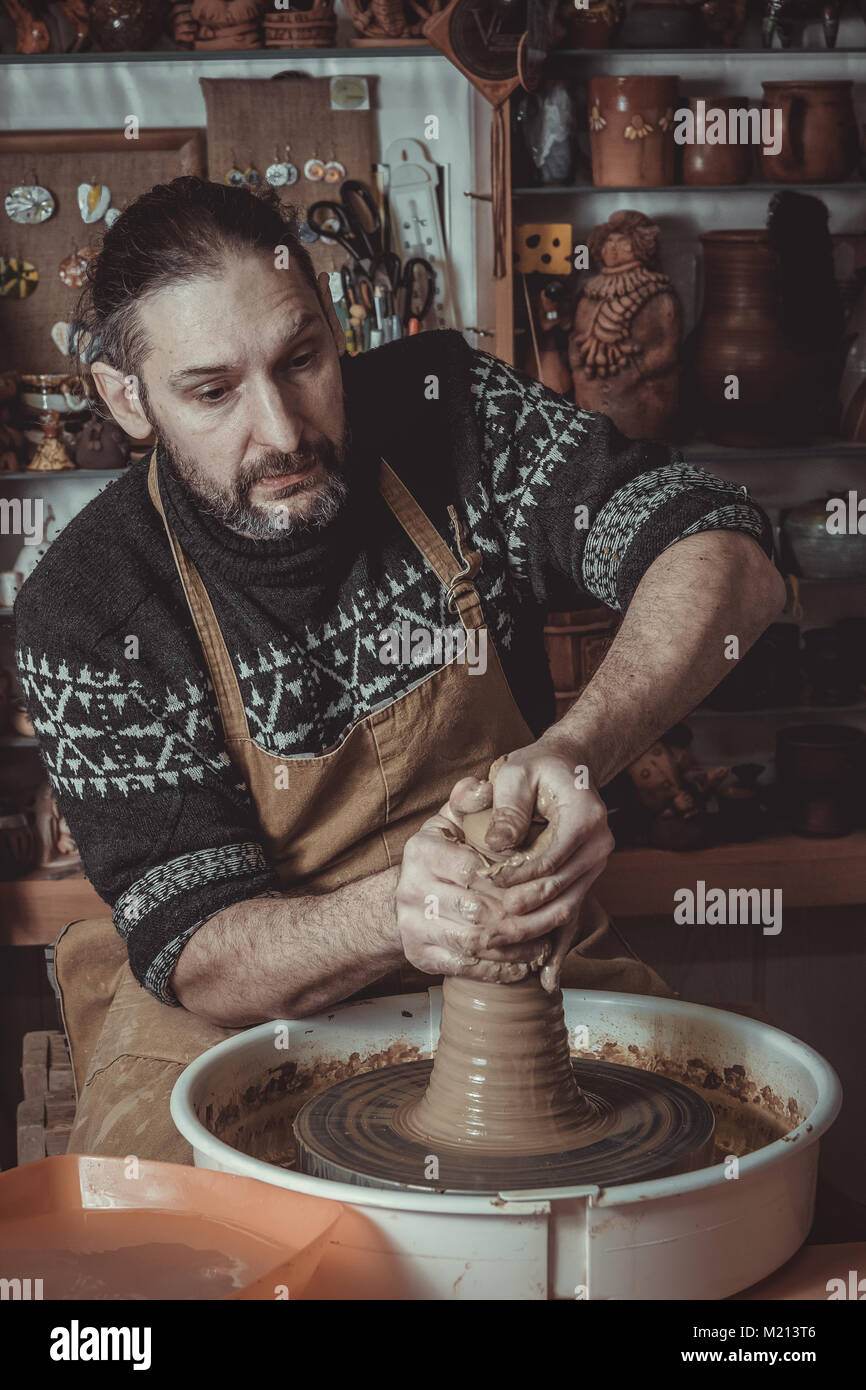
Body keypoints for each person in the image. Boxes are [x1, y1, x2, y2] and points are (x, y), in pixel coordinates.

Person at [15, 178, 785, 1161]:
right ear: (128, 399)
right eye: (213, 392)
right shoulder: (88, 606)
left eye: (302, 359)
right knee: (165, 1241)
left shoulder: (449, 412)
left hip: (518, 951)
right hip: (237, 1007)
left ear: (333, 325)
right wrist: (398, 915)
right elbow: (198, 952)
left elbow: (727, 552)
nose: (285, 429)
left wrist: (579, 749)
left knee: (722, 1176)